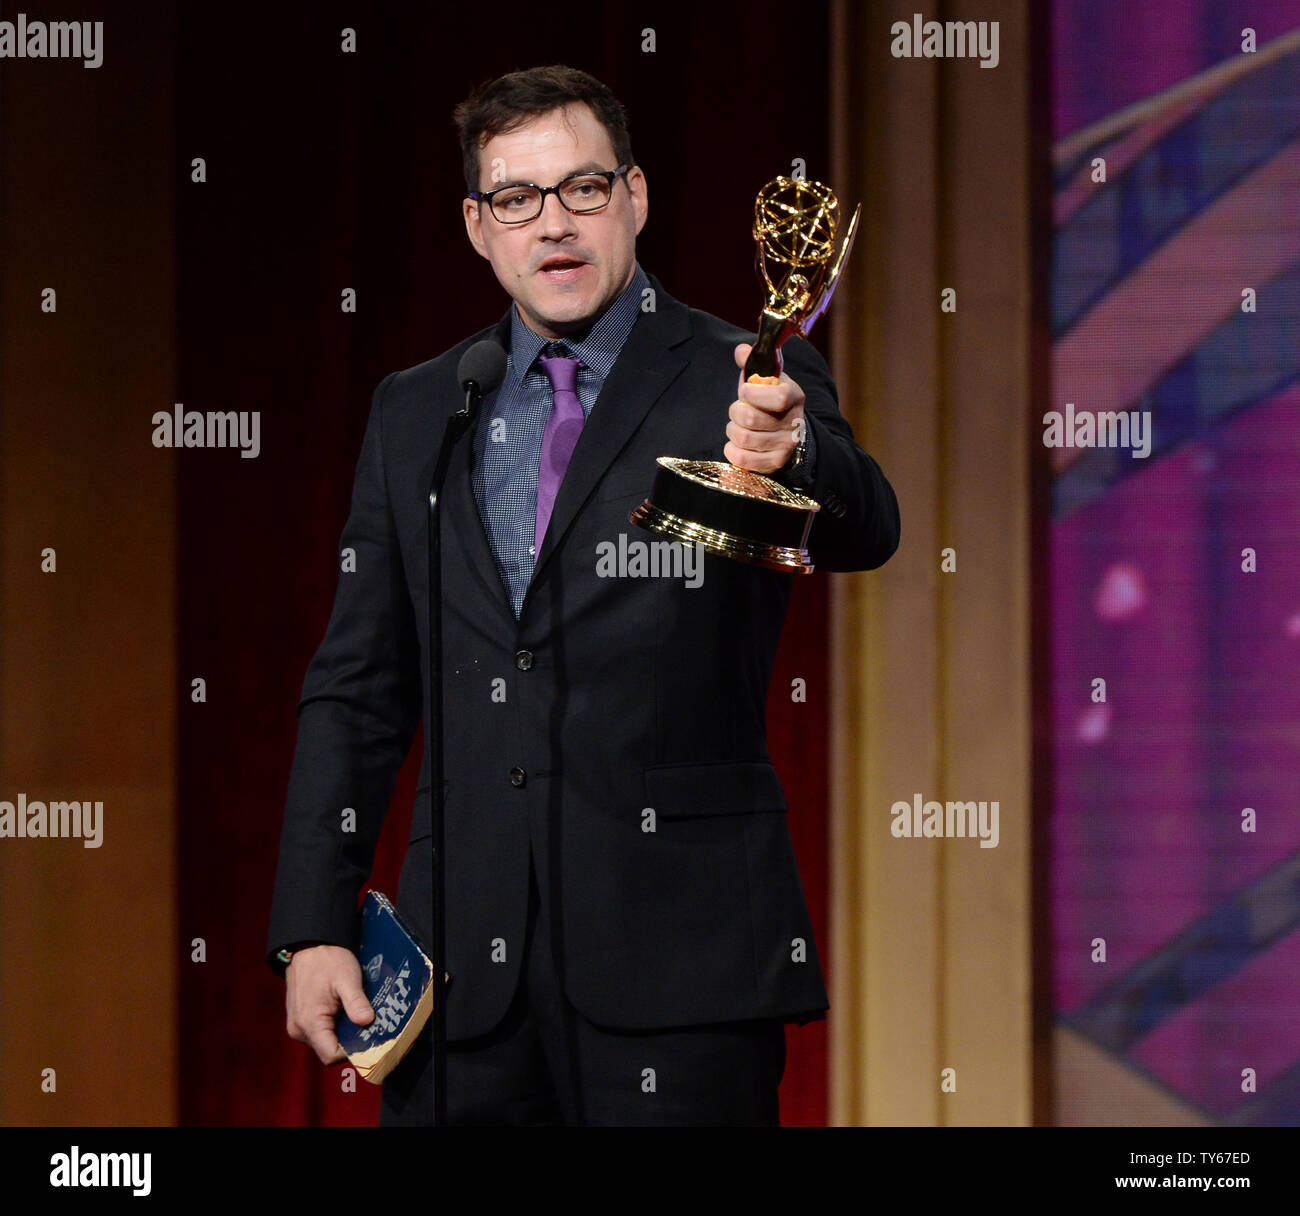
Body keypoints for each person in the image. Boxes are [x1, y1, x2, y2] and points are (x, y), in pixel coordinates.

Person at [266, 64, 899, 1127]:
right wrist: (313, 923)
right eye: (517, 198)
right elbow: (359, 685)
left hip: (682, 974)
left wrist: (794, 457)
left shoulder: (737, 370)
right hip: (462, 982)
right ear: (477, 225)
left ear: (636, 197)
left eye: (584, 189)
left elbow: (865, 527)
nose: (552, 224)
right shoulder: (422, 407)